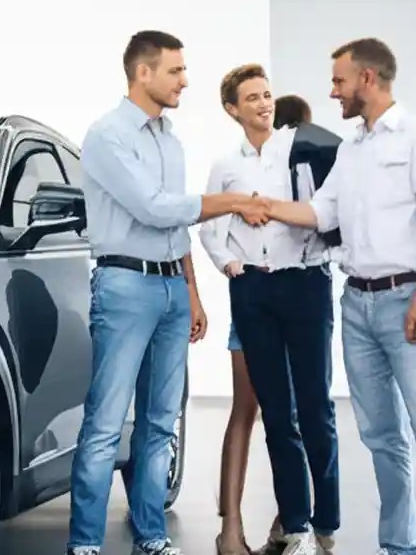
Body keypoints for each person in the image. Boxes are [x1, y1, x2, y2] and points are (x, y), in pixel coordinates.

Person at [258, 37, 416, 555]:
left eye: (339, 80)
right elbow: (321, 213)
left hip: (405, 301)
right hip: (355, 306)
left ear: (367, 79)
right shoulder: (352, 149)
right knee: (382, 437)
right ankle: (399, 547)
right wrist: (260, 206)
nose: (332, 91)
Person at [67, 30, 269, 555]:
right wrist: (232, 201)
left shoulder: (169, 138)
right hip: (124, 286)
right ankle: (85, 544)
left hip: (170, 290)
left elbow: (175, 230)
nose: (185, 80)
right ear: (144, 73)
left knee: (160, 424)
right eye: (176, 71)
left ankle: (151, 535)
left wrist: (193, 293)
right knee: (106, 422)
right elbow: (153, 208)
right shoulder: (107, 135)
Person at [200, 66, 341, 555]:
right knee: (277, 414)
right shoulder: (226, 164)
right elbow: (209, 225)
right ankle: (297, 528)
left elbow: (327, 210)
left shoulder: (300, 147)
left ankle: (327, 526)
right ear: (232, 109)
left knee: (316, 408)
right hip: (253, 291)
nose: (263, 103)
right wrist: (229, 264)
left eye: (267, 95)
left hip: (305, 284)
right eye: (252, 97)